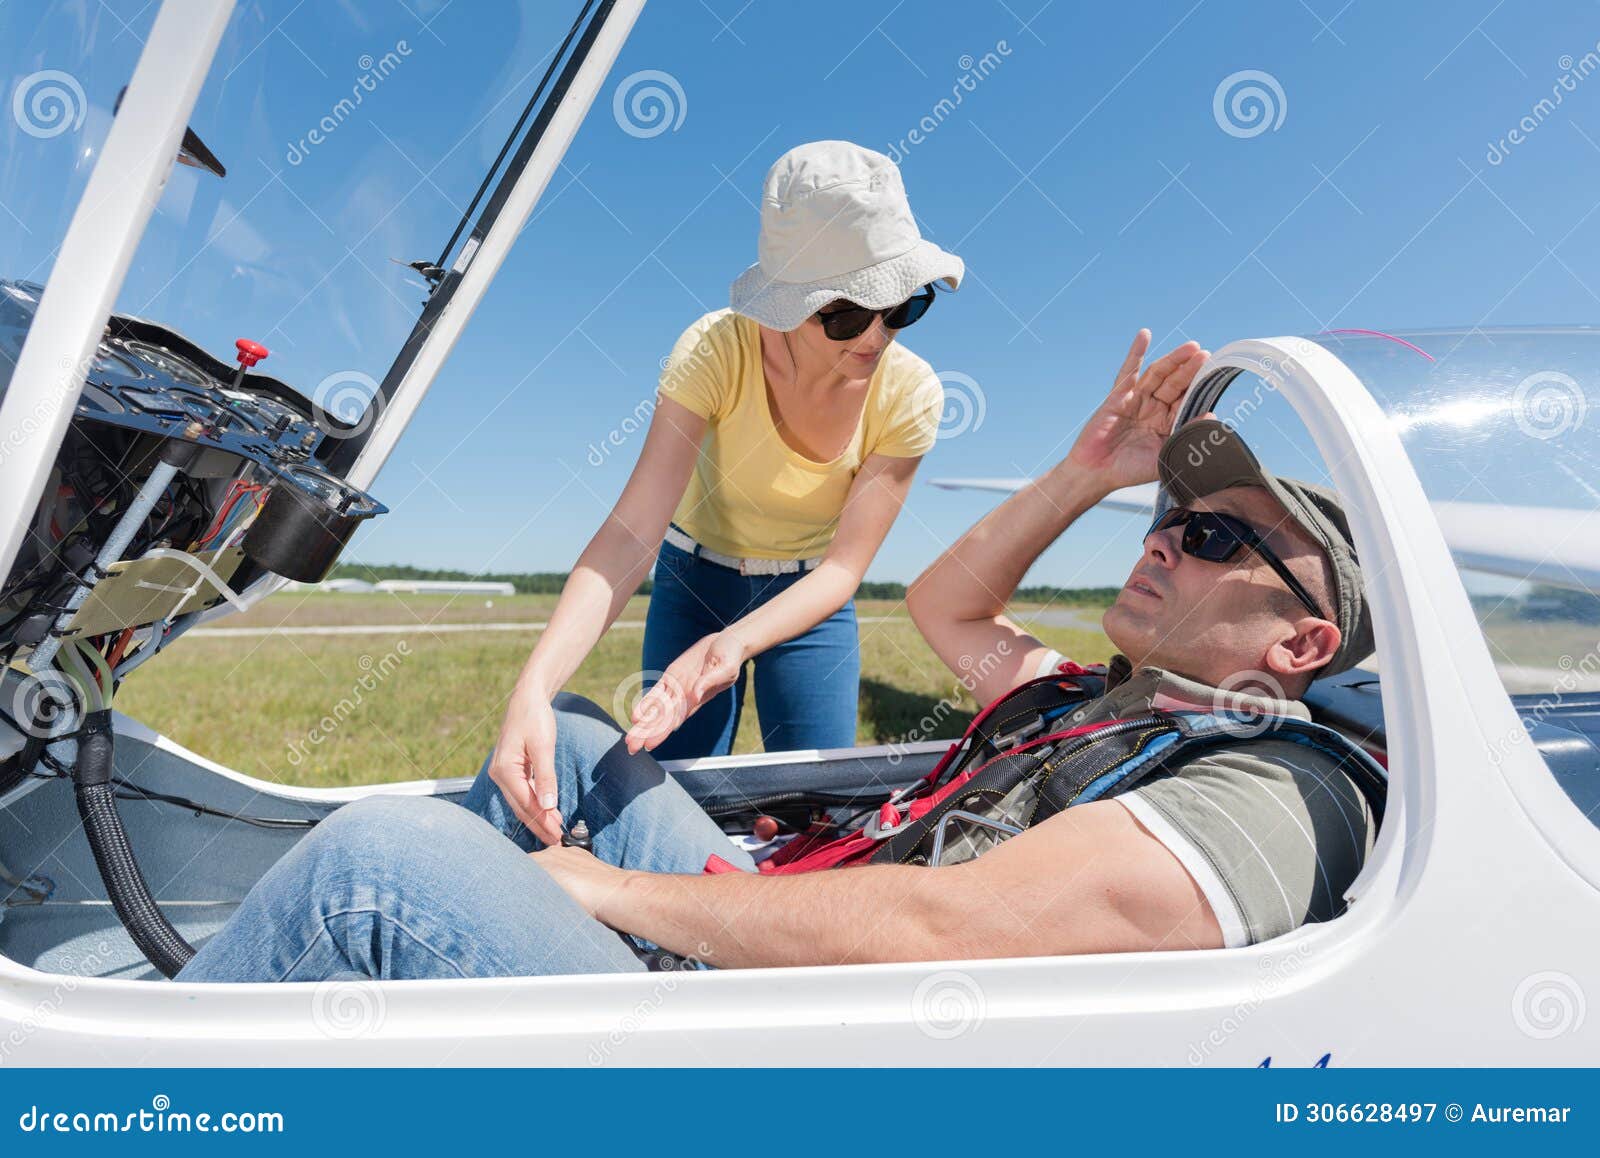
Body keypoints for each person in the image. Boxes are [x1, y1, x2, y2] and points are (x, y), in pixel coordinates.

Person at [177, 331, 1380, 983]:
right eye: (1167, 517)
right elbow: (950, 607)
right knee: (586, 733)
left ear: (1302, 642)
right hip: (785, 916)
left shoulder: (1277, 792)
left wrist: (603, 892)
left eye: (1213, 536)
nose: (1166, 537)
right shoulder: (1090, 703)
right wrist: (1085, 476)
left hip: (794, 1022)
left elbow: (945, 935)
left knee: (378, 864)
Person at [490, 140, 963, 851]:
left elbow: (842, 569)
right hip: (694, 581)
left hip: (808, 600)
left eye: (901, 307)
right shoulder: (715, 351)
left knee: (818, 818)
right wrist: (532, 690)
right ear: (786, 307)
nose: (876, 336)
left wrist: (736, 644)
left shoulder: (912, 394)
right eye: (844, 315)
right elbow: (630, 535)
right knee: (666, 795)